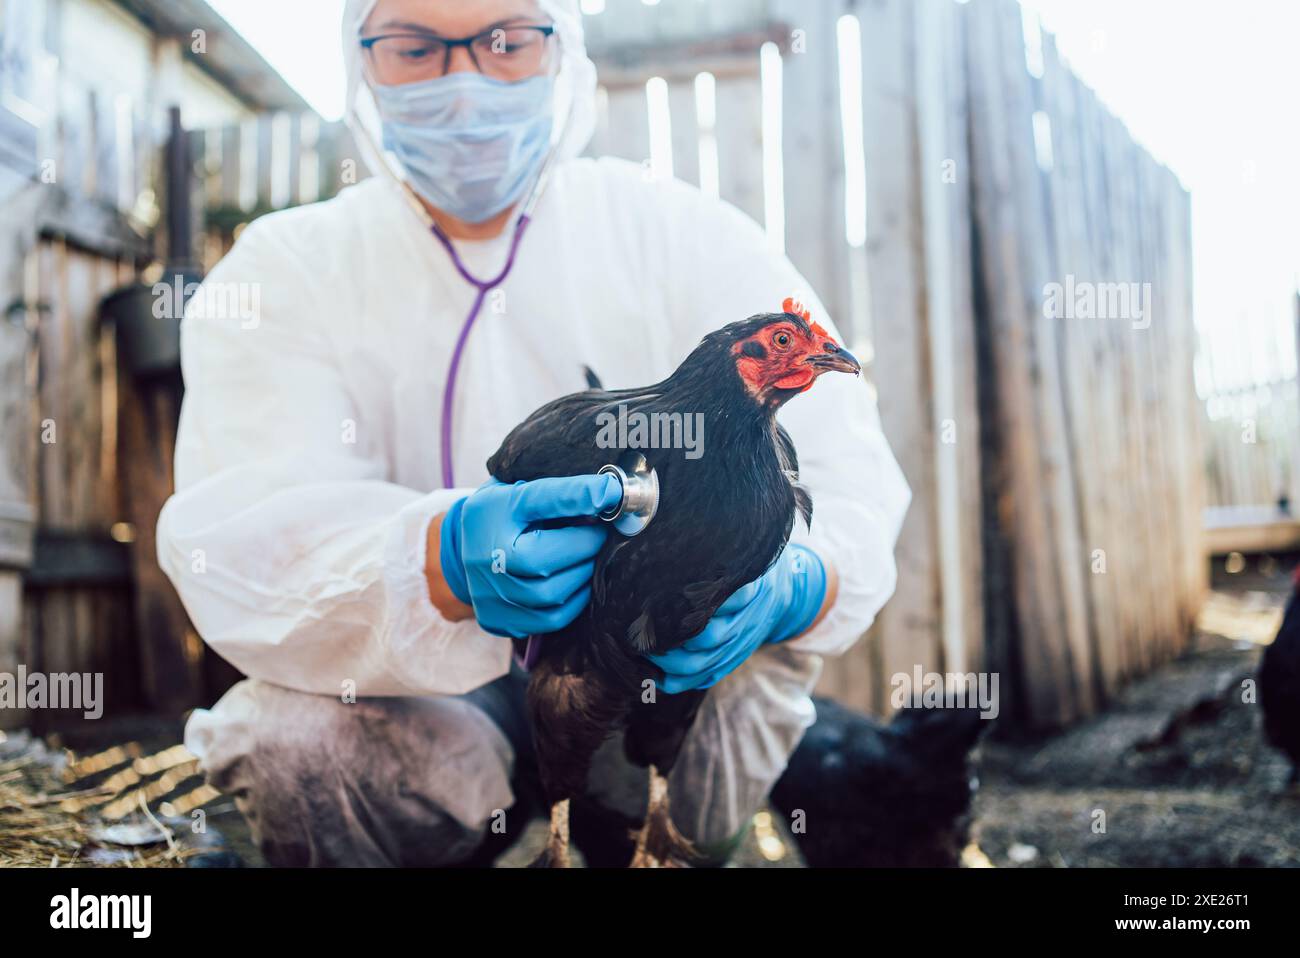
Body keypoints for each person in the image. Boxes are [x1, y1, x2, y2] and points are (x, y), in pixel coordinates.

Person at [158, 0, 910, 866]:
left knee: (735, 693)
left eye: (507, 38)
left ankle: (661, 836)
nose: (465, 79)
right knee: (293, 737)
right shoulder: (284, 271)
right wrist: (433, 561)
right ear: (360, 56)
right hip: (411, 694)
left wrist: (792, 582)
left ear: (565, 48)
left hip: (655, 660)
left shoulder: (677, 230)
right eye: (414, 44)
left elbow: (853, 483)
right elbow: (241, 531)